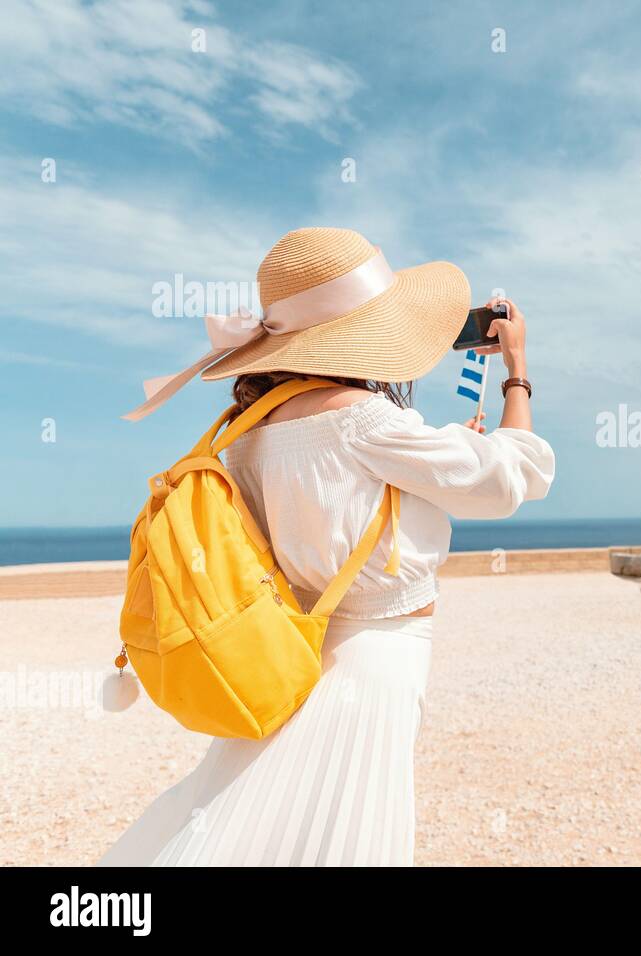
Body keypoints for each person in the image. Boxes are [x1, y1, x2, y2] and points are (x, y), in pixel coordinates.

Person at [99, 227, 554, 866]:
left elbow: (336, 495)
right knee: (348, 831)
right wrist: (518, 374)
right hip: (375, 658)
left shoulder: (245, 430)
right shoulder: (366, 418)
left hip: (287, 651)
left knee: (255, 820)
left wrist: (440, 453)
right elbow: (514, 478)